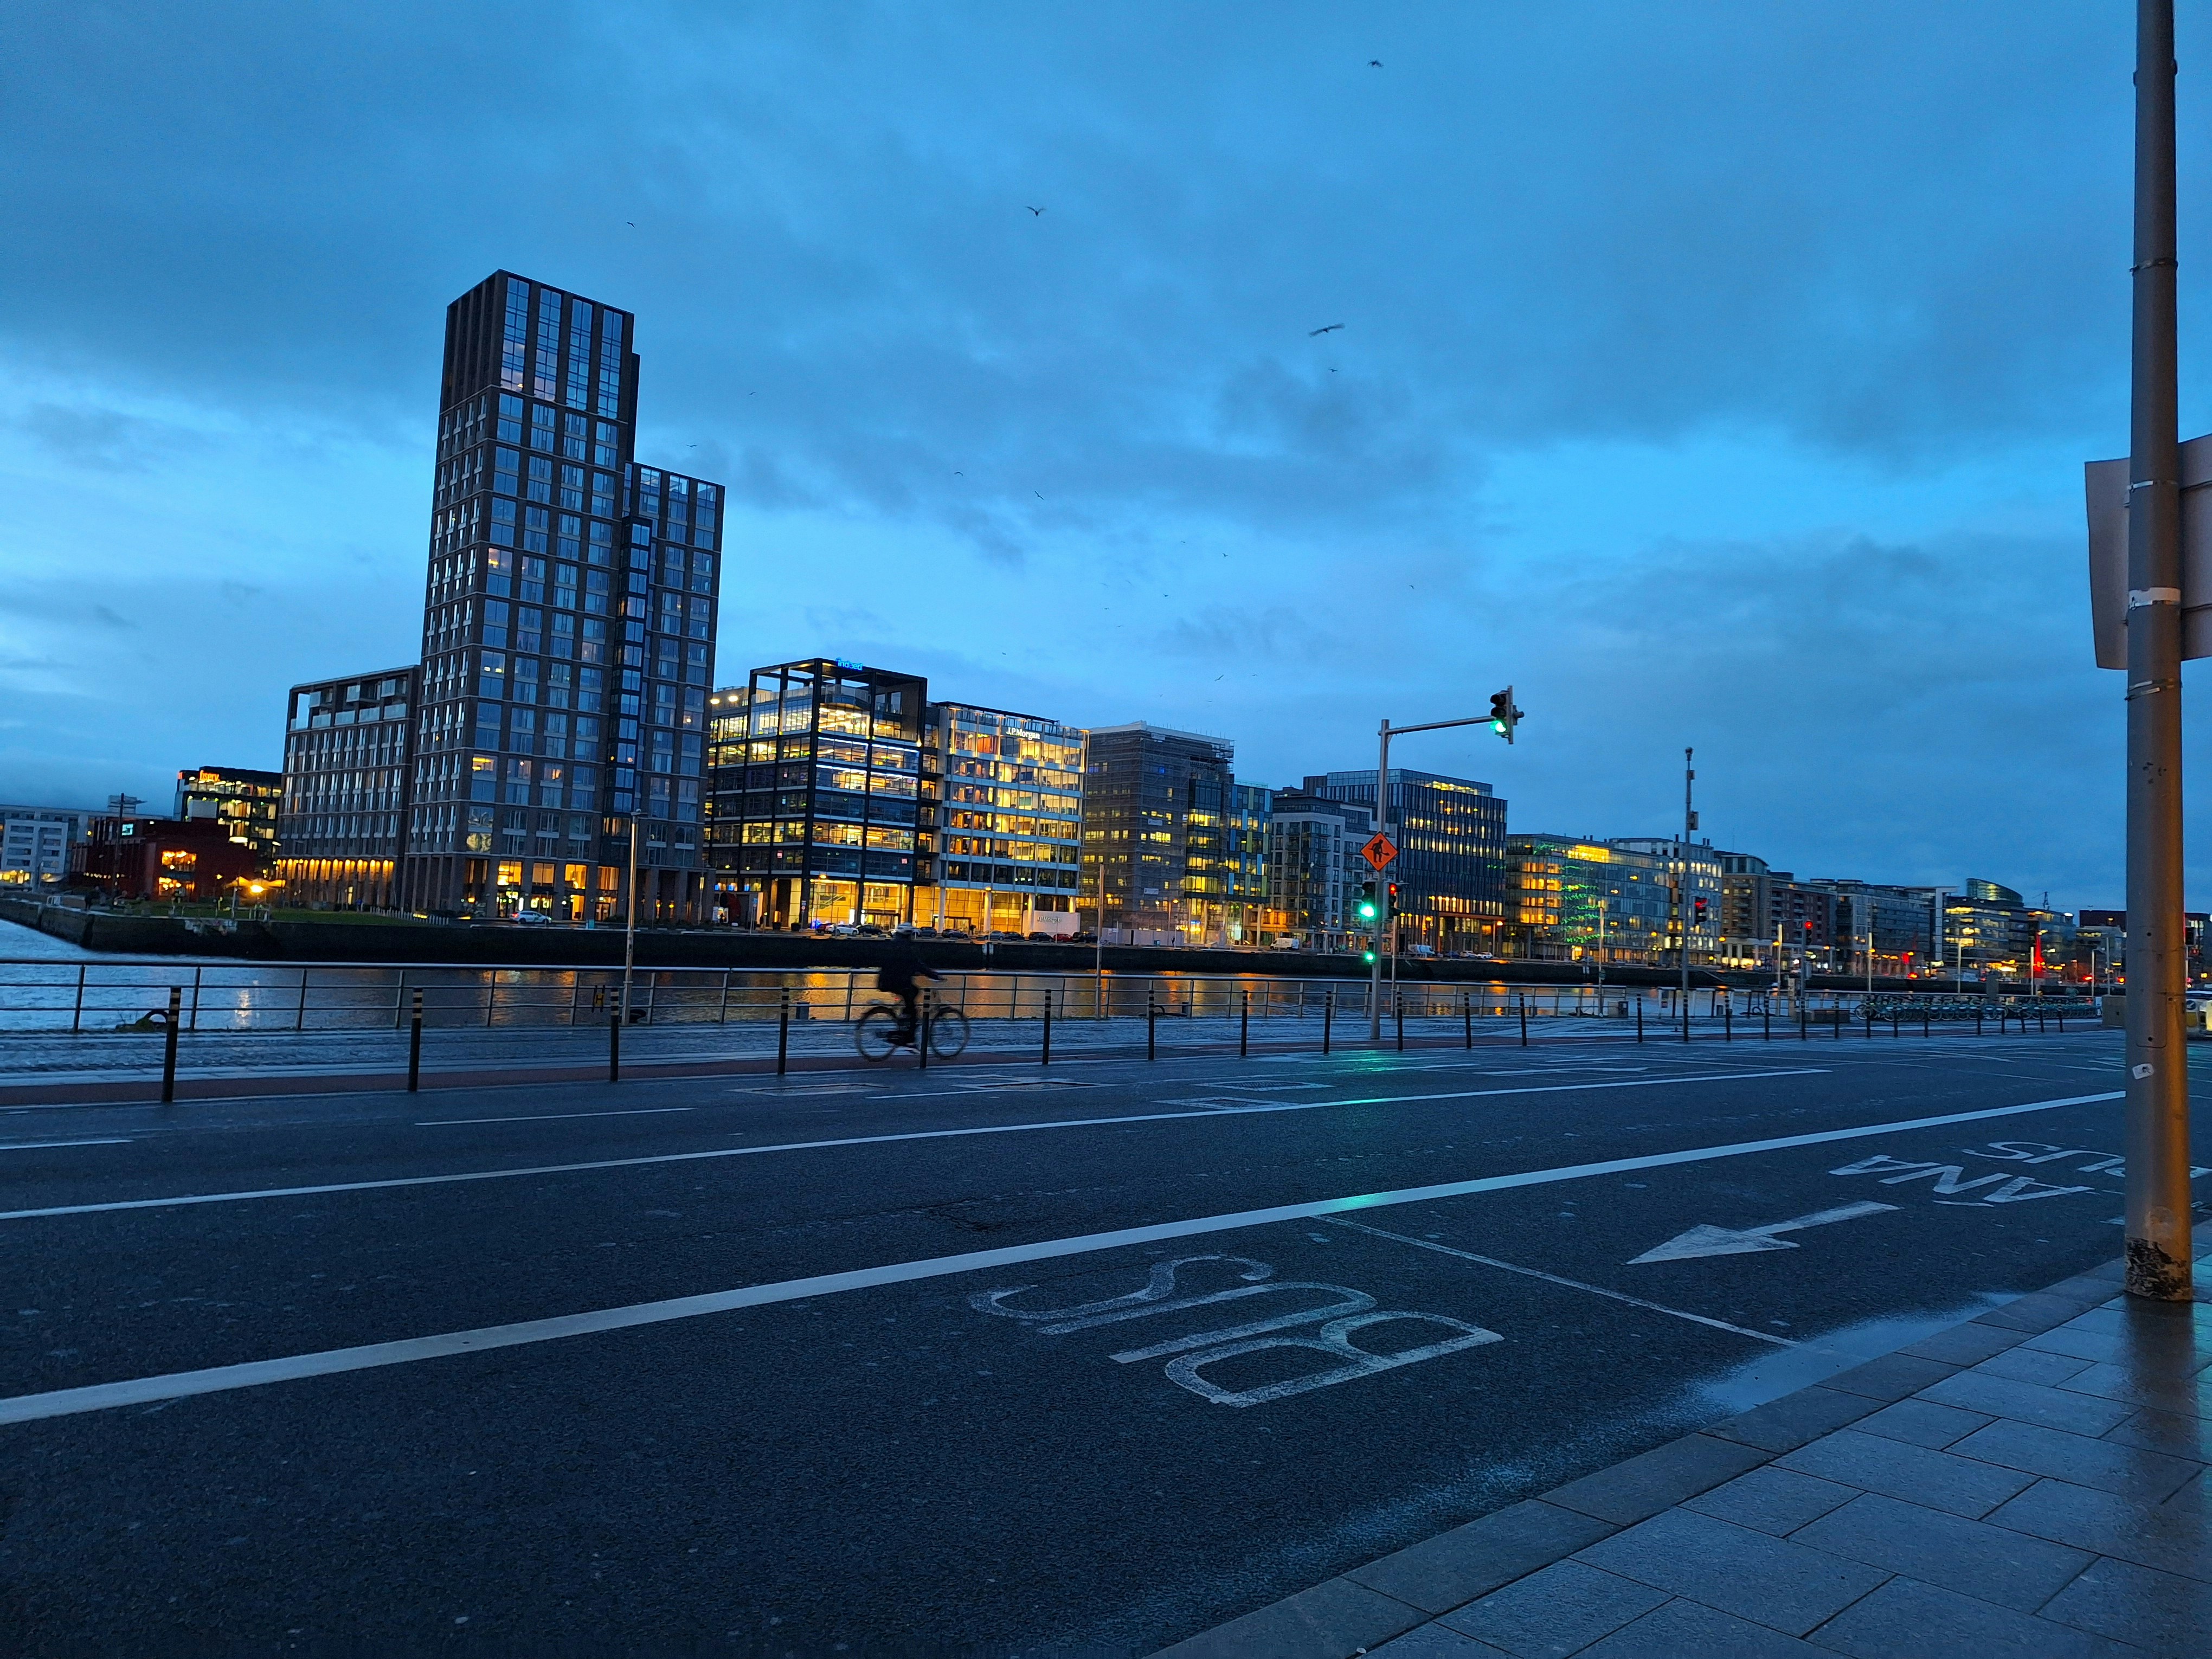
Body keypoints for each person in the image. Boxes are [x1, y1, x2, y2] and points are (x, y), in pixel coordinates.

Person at [876, 940, 943, 1044]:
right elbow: (917, 964)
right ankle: (909, 1036)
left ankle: (905, 1018)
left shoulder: (893, 946)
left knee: (911, 996)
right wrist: (934, 976)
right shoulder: (906, 949)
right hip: (898, 981)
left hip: (885, 981)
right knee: (913, 999)